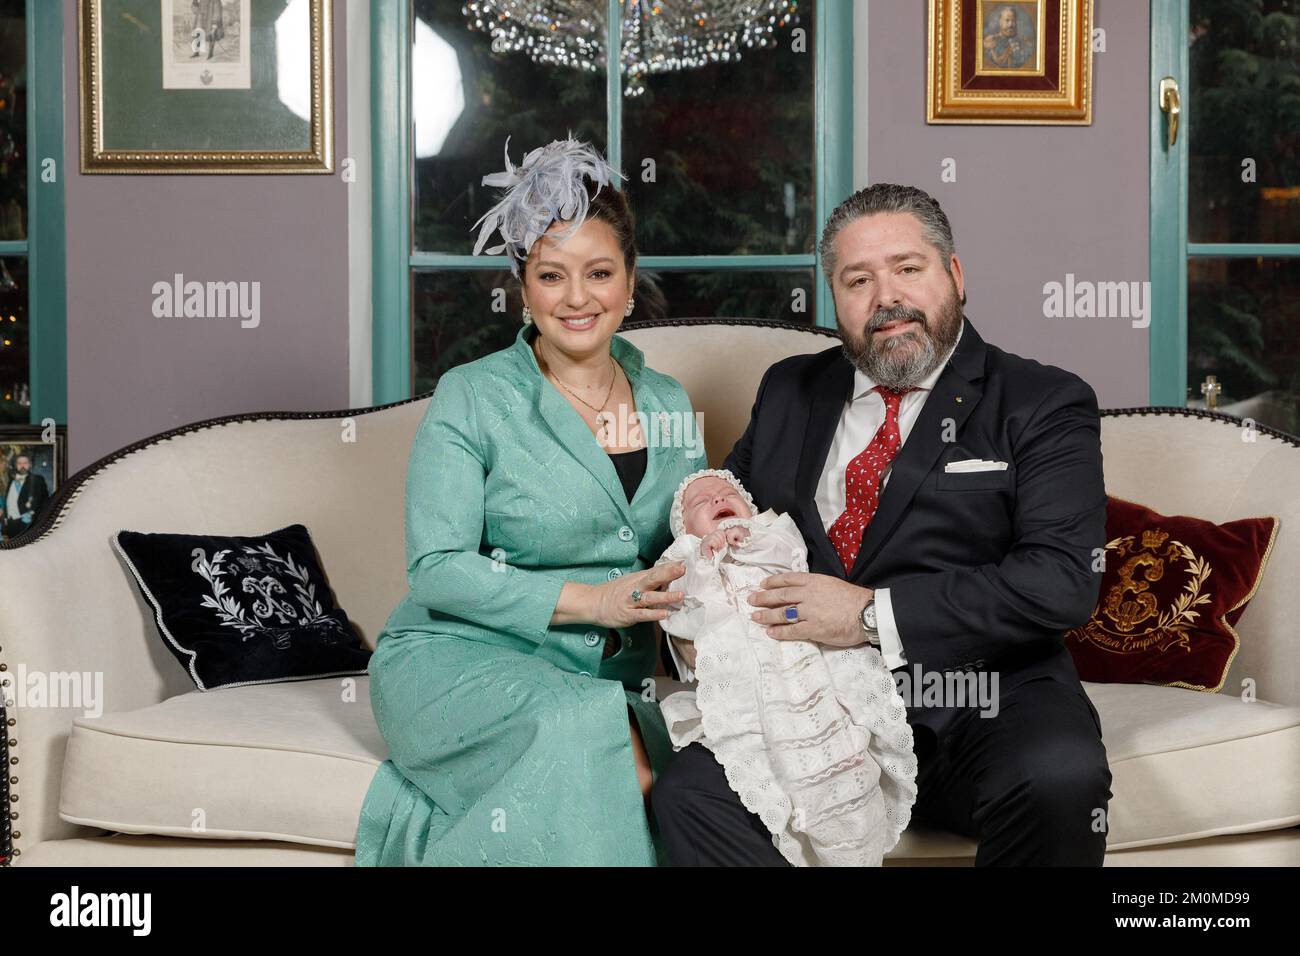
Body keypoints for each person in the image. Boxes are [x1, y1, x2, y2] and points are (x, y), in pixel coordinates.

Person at [652, 183, 1113, 866]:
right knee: (688, 796)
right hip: (812, 702)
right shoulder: (789, 390)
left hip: (985, 695)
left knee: (1060, 777)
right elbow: (724, 522)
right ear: (834, 299)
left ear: (954, 275)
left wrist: (869, 615)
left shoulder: (1041, 401)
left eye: (907, 268)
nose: (886, 297)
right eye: (858, 280)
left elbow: (1061, 581)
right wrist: (694, 630)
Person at [353, 136, 696, 866]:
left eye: (599, 273)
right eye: (551, 276)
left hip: (603, 679)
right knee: (603, 759)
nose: (577, 298)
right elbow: (437, 569)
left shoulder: (670, 403)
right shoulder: (472, 394)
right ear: (523, 286)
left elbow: (685, 554)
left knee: (669, 779)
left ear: (629, 280)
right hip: (455, 660)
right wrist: (596, 601)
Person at [654, 468, 917, 866]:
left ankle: (850, 838)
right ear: (684, 531)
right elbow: (681, 615)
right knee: (761, 759)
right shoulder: (682, 559)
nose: (717, 500)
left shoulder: (771, 533)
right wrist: (704, 561)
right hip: (747, 682)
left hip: (805, 658)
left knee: (838, 748)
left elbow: (792, 556)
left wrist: (749, 541)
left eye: (727, 494)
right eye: (700, 503)